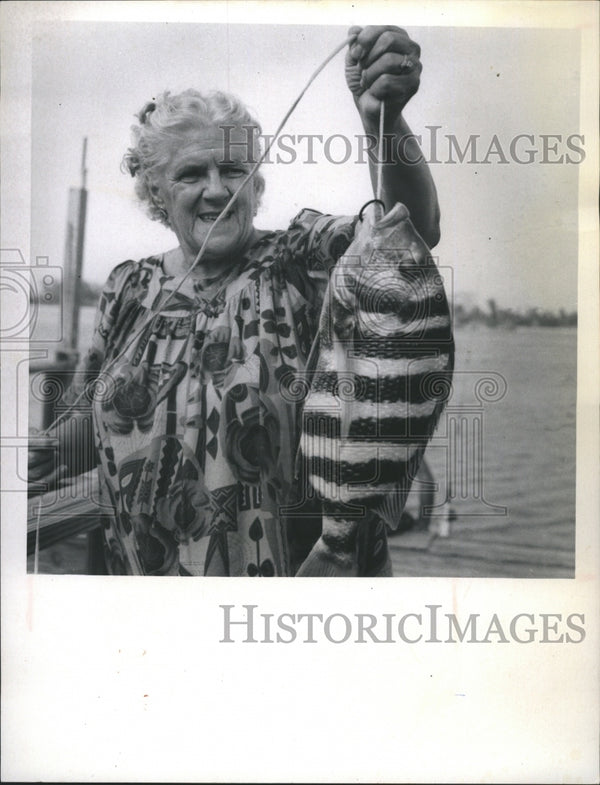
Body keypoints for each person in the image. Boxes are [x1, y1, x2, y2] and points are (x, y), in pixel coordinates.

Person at [29, 26, 445, 576]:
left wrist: (380, 120)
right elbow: (98, 413)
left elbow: (407, 227)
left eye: (233, 170)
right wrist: (52, 449)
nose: (217, 190)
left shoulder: (301, 257)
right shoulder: (127, 287)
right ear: (156, 192)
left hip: (295, 582)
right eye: (191, 174)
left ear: (257, 185)